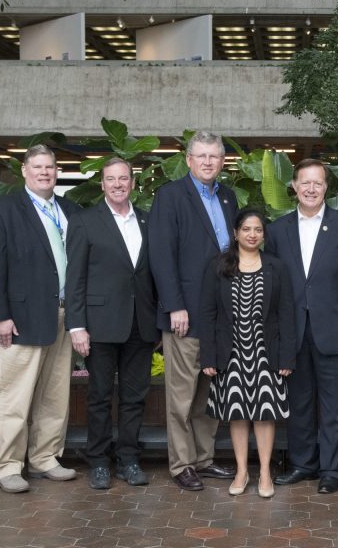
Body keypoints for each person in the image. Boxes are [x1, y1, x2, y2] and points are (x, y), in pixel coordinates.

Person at [0, 144, 81, 493]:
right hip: (21, 318)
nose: (44, 172)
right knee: (14, 396)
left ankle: (45, 457)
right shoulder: (3, 211)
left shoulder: (70, 210)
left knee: (55, 395)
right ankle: (8, 465)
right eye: (37, 166)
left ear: (57, 171)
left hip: (65, 314)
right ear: (24, 170)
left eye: (49, 167)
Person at [266, 158, 338, 495]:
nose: (311, 188)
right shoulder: (277, 230)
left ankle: (330, 469)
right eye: (305, 182)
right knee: (299, 403)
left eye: (318, 183)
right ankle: (303, 464)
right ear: (294, 186)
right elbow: (272, 286)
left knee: (334, 404)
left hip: (336, 332)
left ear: (327, 188)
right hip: (293, 332)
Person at [149, 131, 238, 491]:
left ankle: (203, 458)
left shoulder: (229, 197)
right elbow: (161, 255)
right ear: (188, 160)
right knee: (182, 397)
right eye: (200, 156)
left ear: (221, 161)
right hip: (184, 314)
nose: (207, 162)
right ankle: (181, 464)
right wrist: (174, 306)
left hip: (220, 315)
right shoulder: (170, 197)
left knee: (208, 393)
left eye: (213, 156)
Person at [65, 158, 158, 490]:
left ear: (133, 183)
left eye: (124, 178)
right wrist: (76, 325)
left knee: (135, 398)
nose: (118, 184)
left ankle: (129, 459)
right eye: (111, 179)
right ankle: (99, 462)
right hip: (99, 325)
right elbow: (74, 278)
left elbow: (153, 275)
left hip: (141, 325)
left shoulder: (148, 221)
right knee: (100, 397)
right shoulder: (85, 222)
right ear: (102, 184)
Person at [199, 210, 295, 498]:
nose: (252, 234)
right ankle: (241, 471)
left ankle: (265, 472)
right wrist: (208, 357)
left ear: (264, 234)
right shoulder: (218, 266)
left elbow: (287, 314)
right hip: (231, 354)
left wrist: (287, 357)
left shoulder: (277, 267)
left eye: (258, 229)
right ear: (235, 232)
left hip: (268, 352)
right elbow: (208, 314)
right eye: (246, 229)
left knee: (266, 414)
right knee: (237, 414)